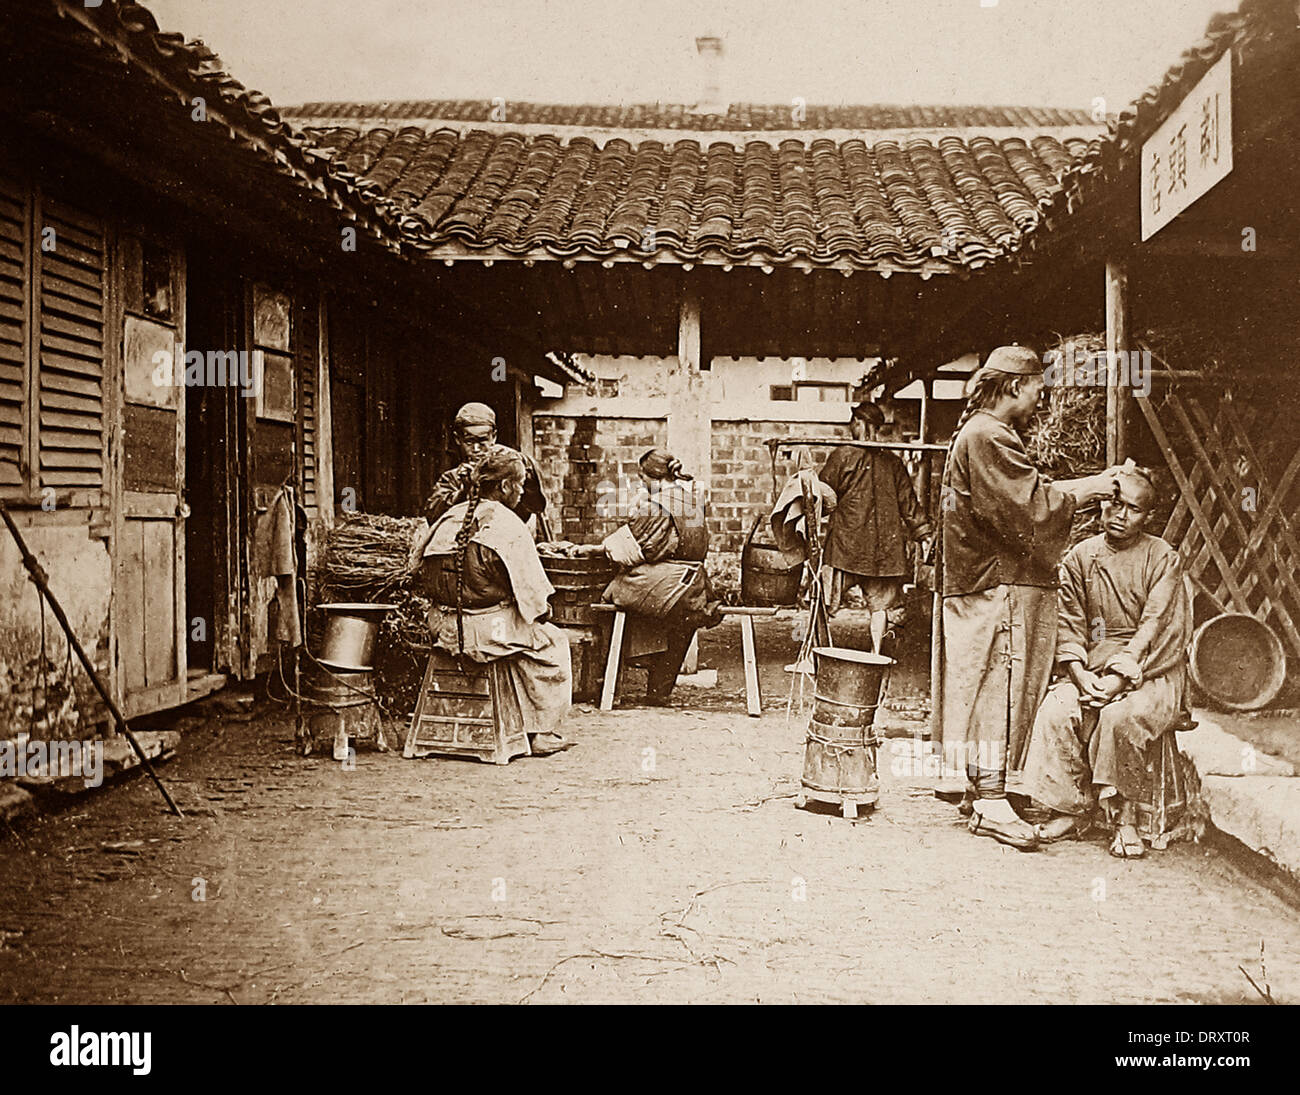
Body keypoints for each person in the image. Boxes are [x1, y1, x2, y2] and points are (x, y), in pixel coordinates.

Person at [938, 345, 1120, 850]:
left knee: (989, 684)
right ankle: (993, 801)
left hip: (986, 582)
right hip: (999, 585)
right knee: (1003, 683)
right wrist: (1096, 486)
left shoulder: (979, 432)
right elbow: (1031, 508)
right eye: (1039, 385)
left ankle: (983, 791)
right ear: (1016, 386)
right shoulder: (989, 435)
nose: (1043, 396)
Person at [1019, 466, 1193, 858]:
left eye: (1132, 509)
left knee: (1120, 717)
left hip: (1152, 670)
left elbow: (1159, 625)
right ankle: (1069, 808)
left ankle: (1125, 819)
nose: (1120, 516)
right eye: (1114, 505)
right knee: (1057, 708)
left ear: (1147, 516)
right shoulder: (1082, 556)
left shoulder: (1163, 558)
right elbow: (1070, 625)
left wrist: (1119, 678)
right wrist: (1080, 676)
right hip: (1092, 669)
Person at [415, 447, 571, 755]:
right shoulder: (508, 524)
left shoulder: (449, 516)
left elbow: (416, 571)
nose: (523, 490)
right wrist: (538, 612)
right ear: (505, 487)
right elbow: (536, 603)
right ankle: (540, 732)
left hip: (440, 627)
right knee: (550, 641)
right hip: (484, 633)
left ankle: (513, 719)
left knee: (513, 629)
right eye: (522, 483)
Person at [575, 448, 722, 705]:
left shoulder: (659, 505)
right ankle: (659, 690)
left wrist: (597, 548)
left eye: (642, 480)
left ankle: (607, 685)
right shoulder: (691, 500)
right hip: (696, 585)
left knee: (610, 595)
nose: (642, 485)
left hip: (673, 584)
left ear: (653, 478)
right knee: (676, 619)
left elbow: (635, 548)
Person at [819, 401, 932, 653]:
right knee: (880, 607)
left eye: (854, 423)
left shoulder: (842, 457)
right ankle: (875, 652)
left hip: (845, 551)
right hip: (881, 555)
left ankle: (818, 653)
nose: (852, 428)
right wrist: (923, 532)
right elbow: (909, 506)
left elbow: (821, 496)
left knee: (822, 601)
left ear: (861, 424)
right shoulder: (892, 462)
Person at [423, 402, 547, 527]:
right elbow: (432, 517)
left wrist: (522, 466)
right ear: (457, 439)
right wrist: (463, 491)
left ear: (493, 437)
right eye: (469, 441)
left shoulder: (509, 473)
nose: (476, 449)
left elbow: (536, 506)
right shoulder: (452, 479)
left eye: (482, 440)